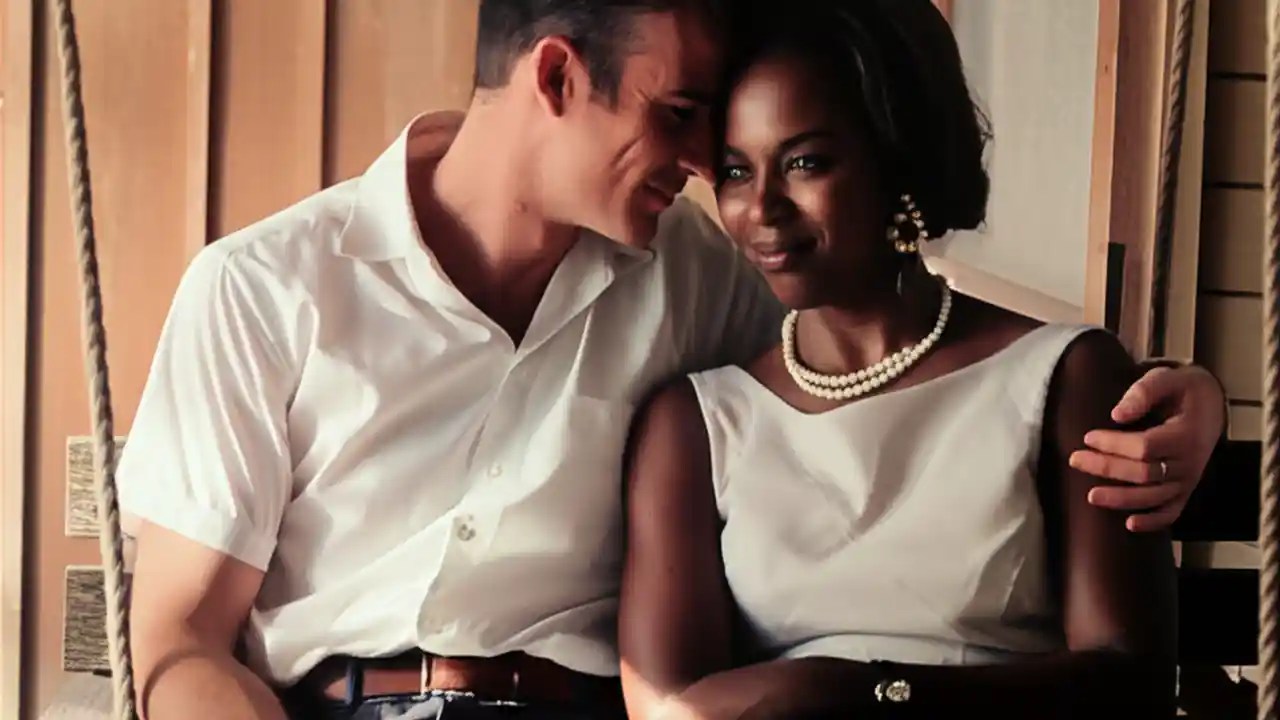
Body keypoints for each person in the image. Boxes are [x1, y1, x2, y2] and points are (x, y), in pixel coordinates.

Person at [117, 2, 1222, 719]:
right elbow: (179, 640)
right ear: (555, 75)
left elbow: (905, 334)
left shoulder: (695, 271)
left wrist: (1179, 390)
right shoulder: (259, 292)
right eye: (683, 117)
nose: (705, 170)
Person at [619, 2, 1186, 718]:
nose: (761, 207)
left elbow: (1128, 683)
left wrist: (865, 692)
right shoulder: (696, 422)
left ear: (898, 159)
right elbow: (665, 705)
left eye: (804, 162)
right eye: (734, 171)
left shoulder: (1065, 378)